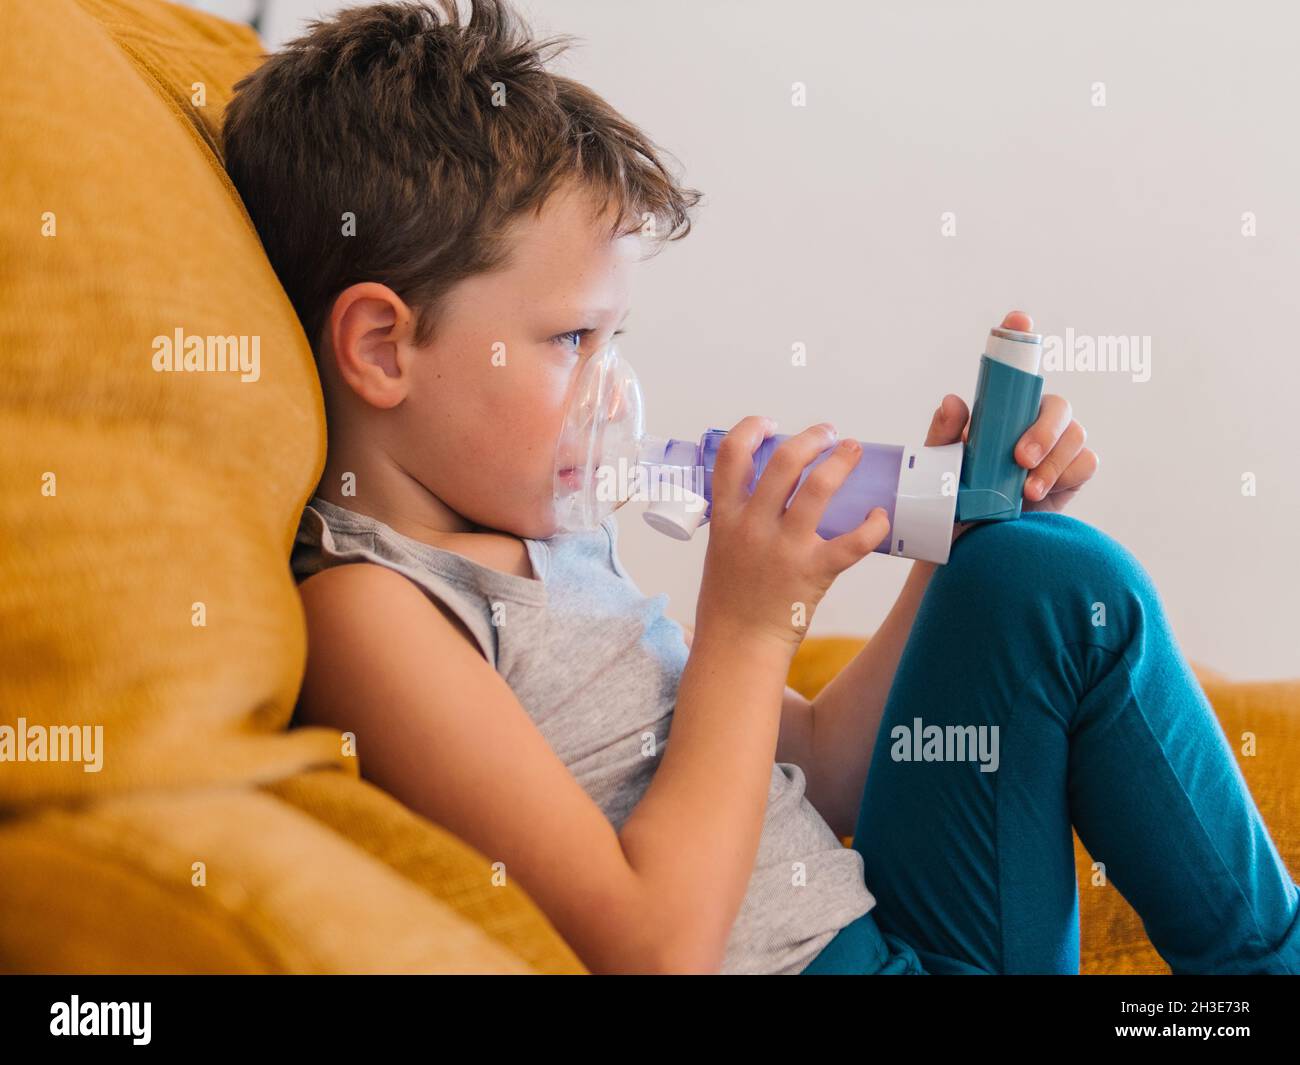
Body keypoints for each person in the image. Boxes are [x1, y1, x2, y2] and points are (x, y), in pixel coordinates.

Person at [221, 0, 1300, 974]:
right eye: (571, 339)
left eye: (616, 336)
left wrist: (956, 543)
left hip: (893, 941)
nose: (612, 388)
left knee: (1042, 576)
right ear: (382, 347)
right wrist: (743, 628)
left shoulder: (557, 548)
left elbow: (827, 771)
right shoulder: (375, 612)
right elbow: (650, 949)